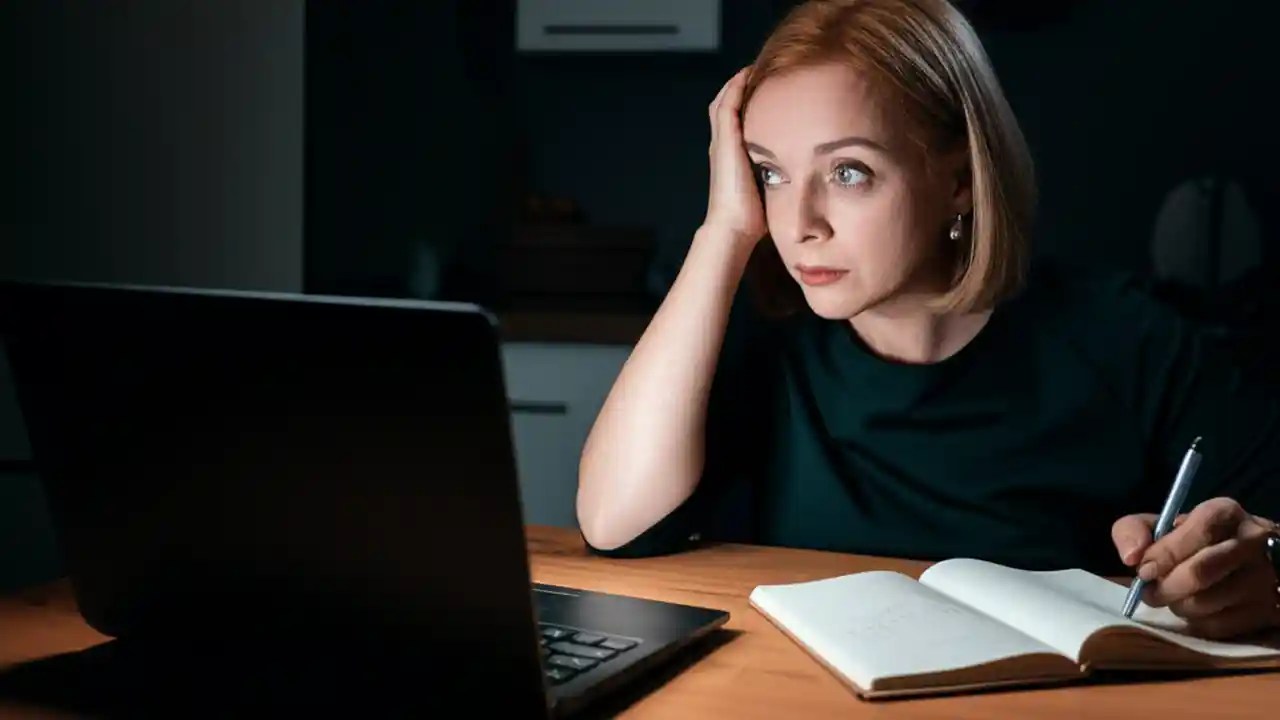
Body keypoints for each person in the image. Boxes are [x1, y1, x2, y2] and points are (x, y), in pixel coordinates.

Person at [575, 0, 1280, 640]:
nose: (798, 225)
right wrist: (723, 230)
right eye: (770, 173)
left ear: (961, 181)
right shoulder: (768, 340)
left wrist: (1255, 568)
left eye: (848, 172)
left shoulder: (1126, 338)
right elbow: (614, 524)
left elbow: (1265, 538)